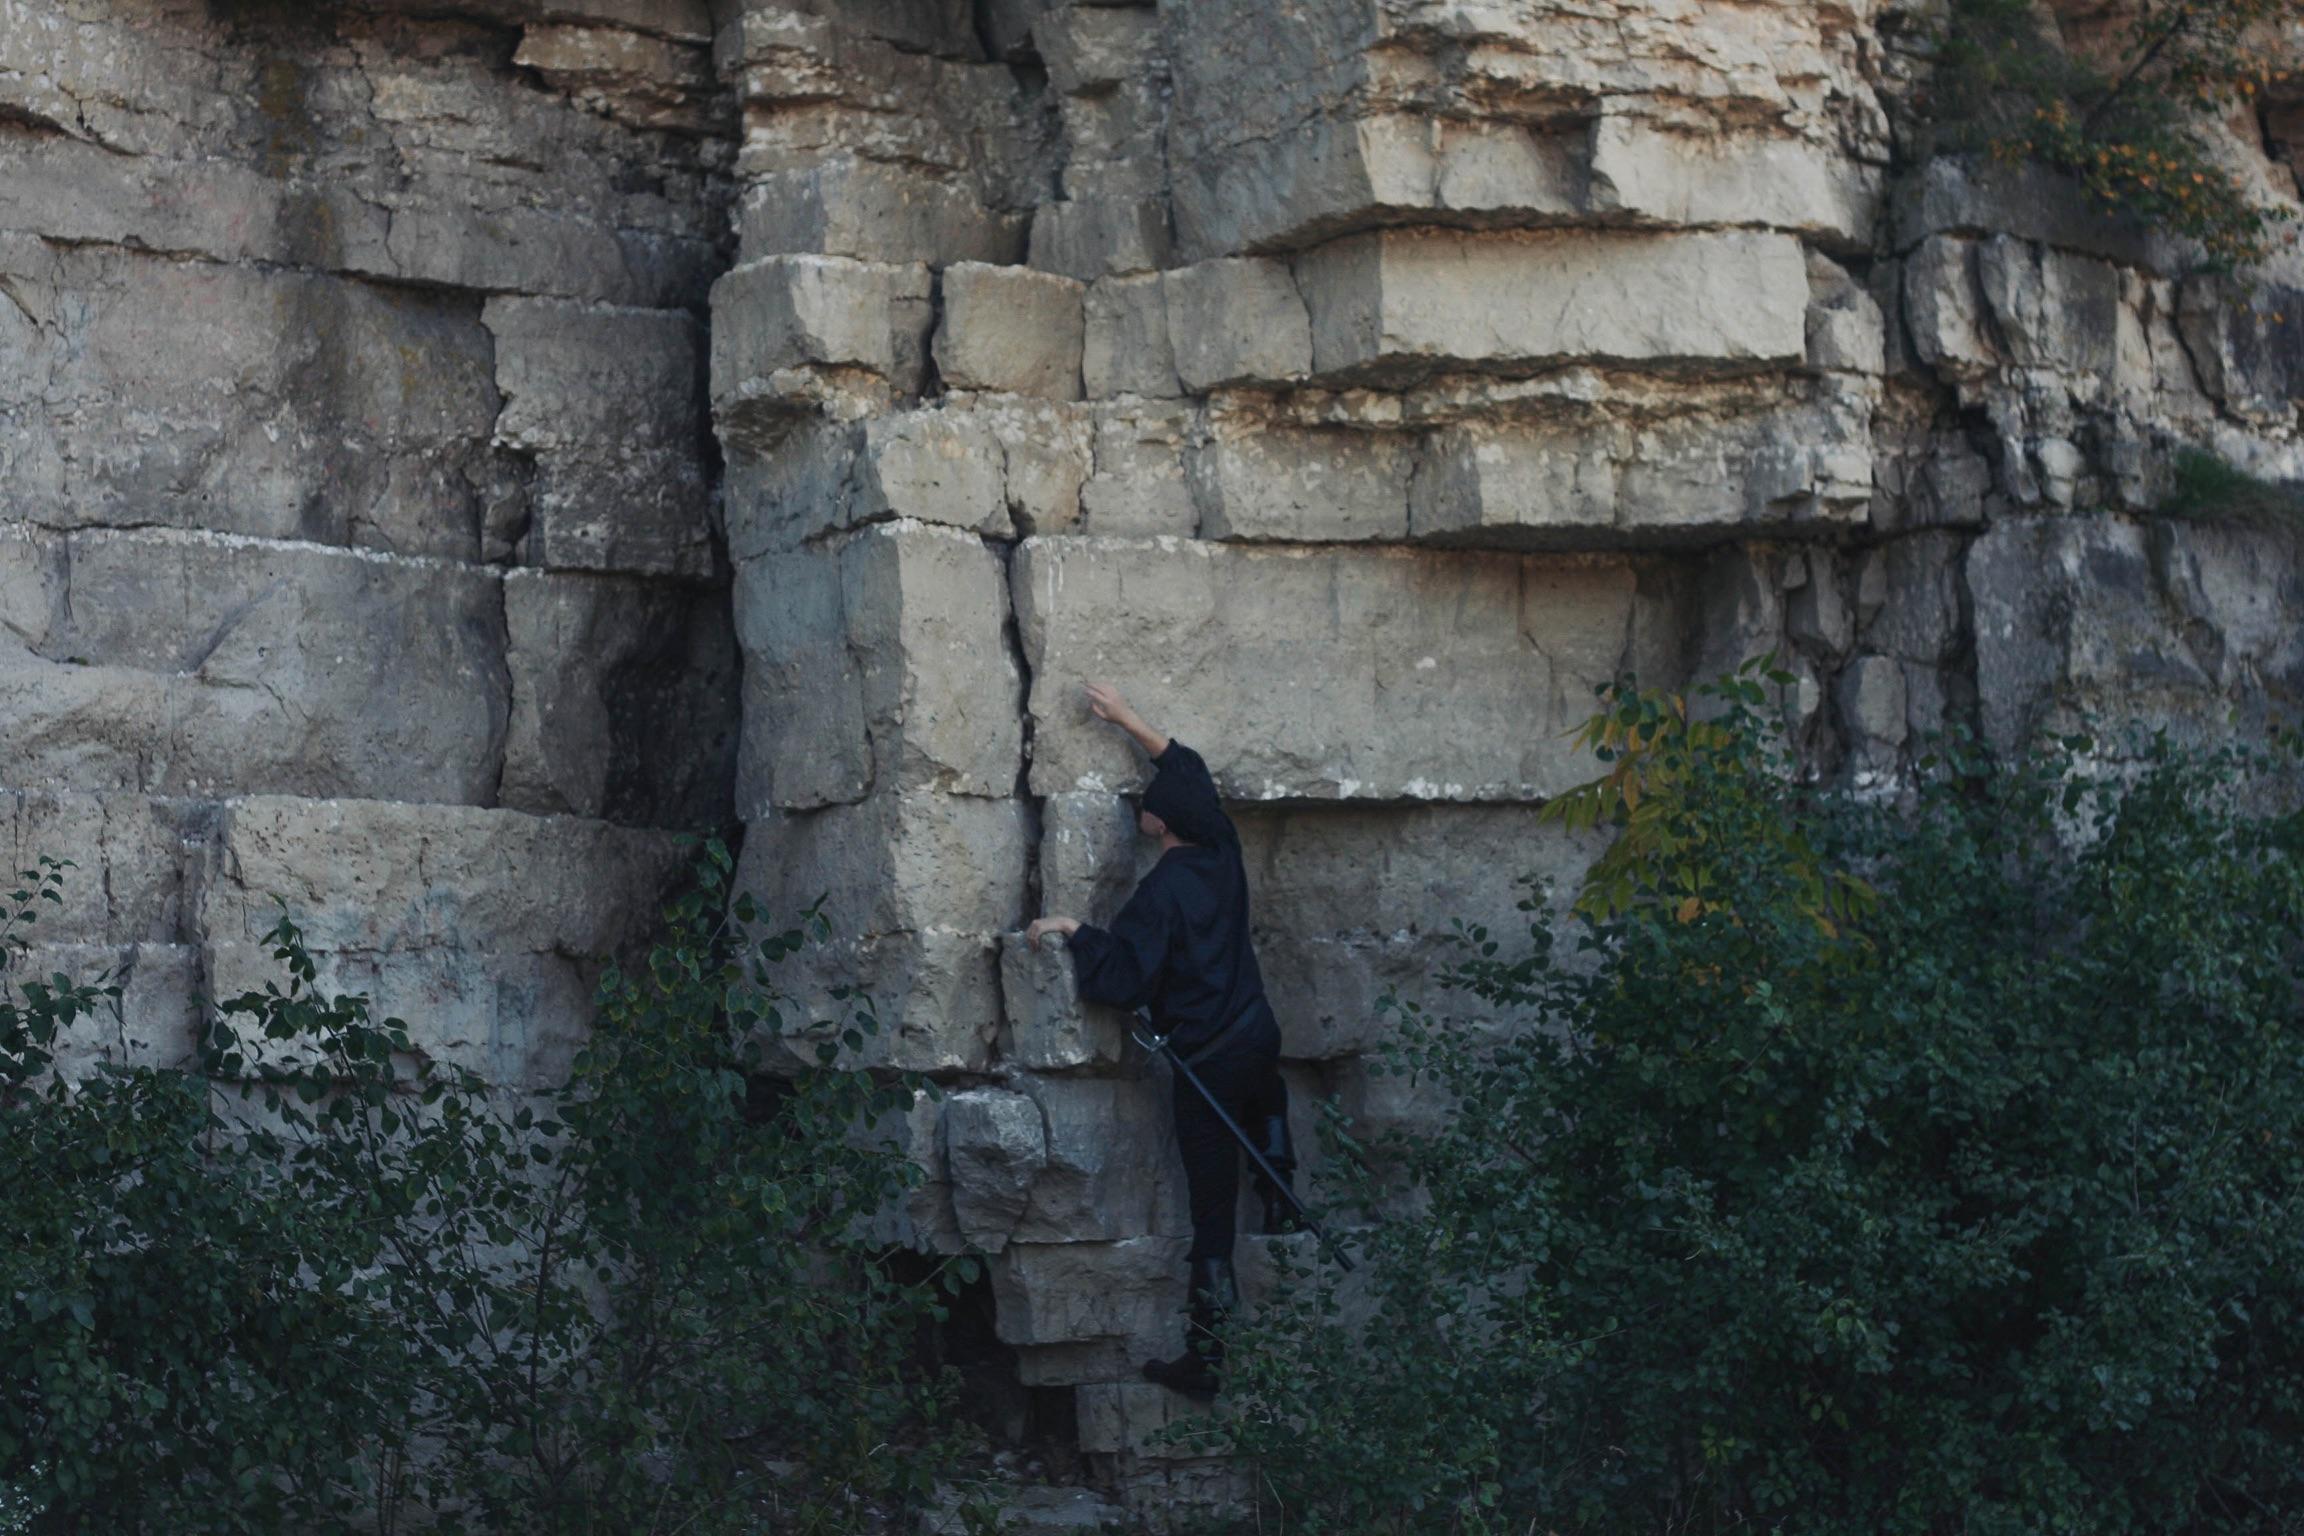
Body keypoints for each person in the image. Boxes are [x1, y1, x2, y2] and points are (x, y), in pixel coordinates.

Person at [1024, 682, 1294, 1400]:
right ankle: (1278, 1181)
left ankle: (1206, 1361)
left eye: (1146, 802)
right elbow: (1191, 775)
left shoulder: (1161, 895)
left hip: (1205, 1064)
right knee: (1266, 1094)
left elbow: (1125, 979)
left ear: (1156, 825)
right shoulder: (1223, 852)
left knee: (1211, 1219)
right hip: (1256, 1038)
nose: (1142, 801)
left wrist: (1076, 932)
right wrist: (1130, 723)